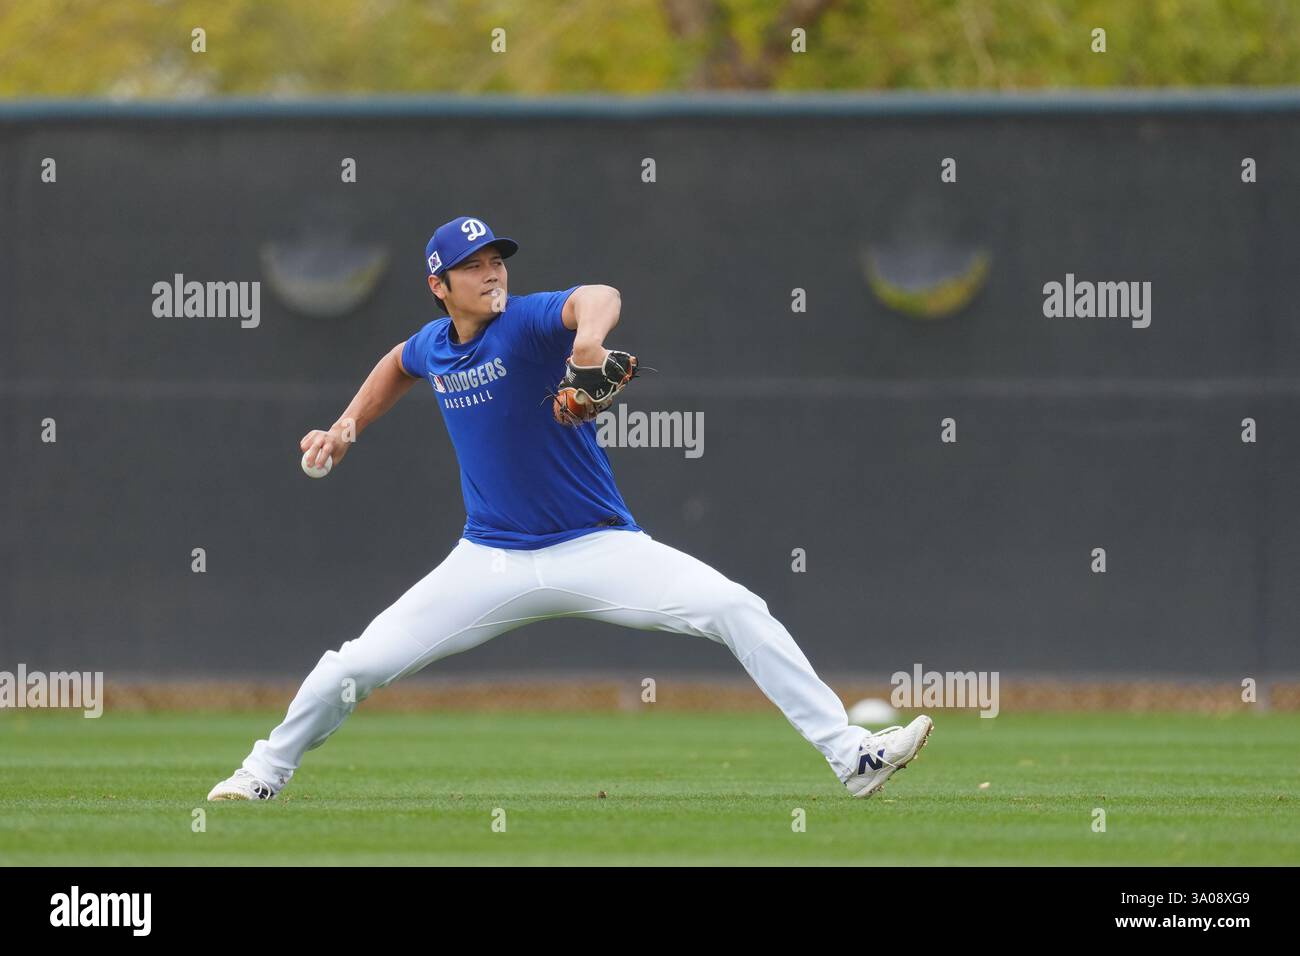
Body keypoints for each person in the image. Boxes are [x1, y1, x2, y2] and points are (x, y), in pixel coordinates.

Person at [206, 215, 932, 803]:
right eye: (473, 266)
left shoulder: (522, 323)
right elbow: (397, 364)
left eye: (497, 260)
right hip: (488, 558)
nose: (492, 273)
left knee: (737, 607)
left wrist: (587, 340)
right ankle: (261, 774)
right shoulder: (435, 346)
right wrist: (344, 430)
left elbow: (599, 293)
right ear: (440, 285)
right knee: (351, 667)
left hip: (599, 547)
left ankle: (851, 756)